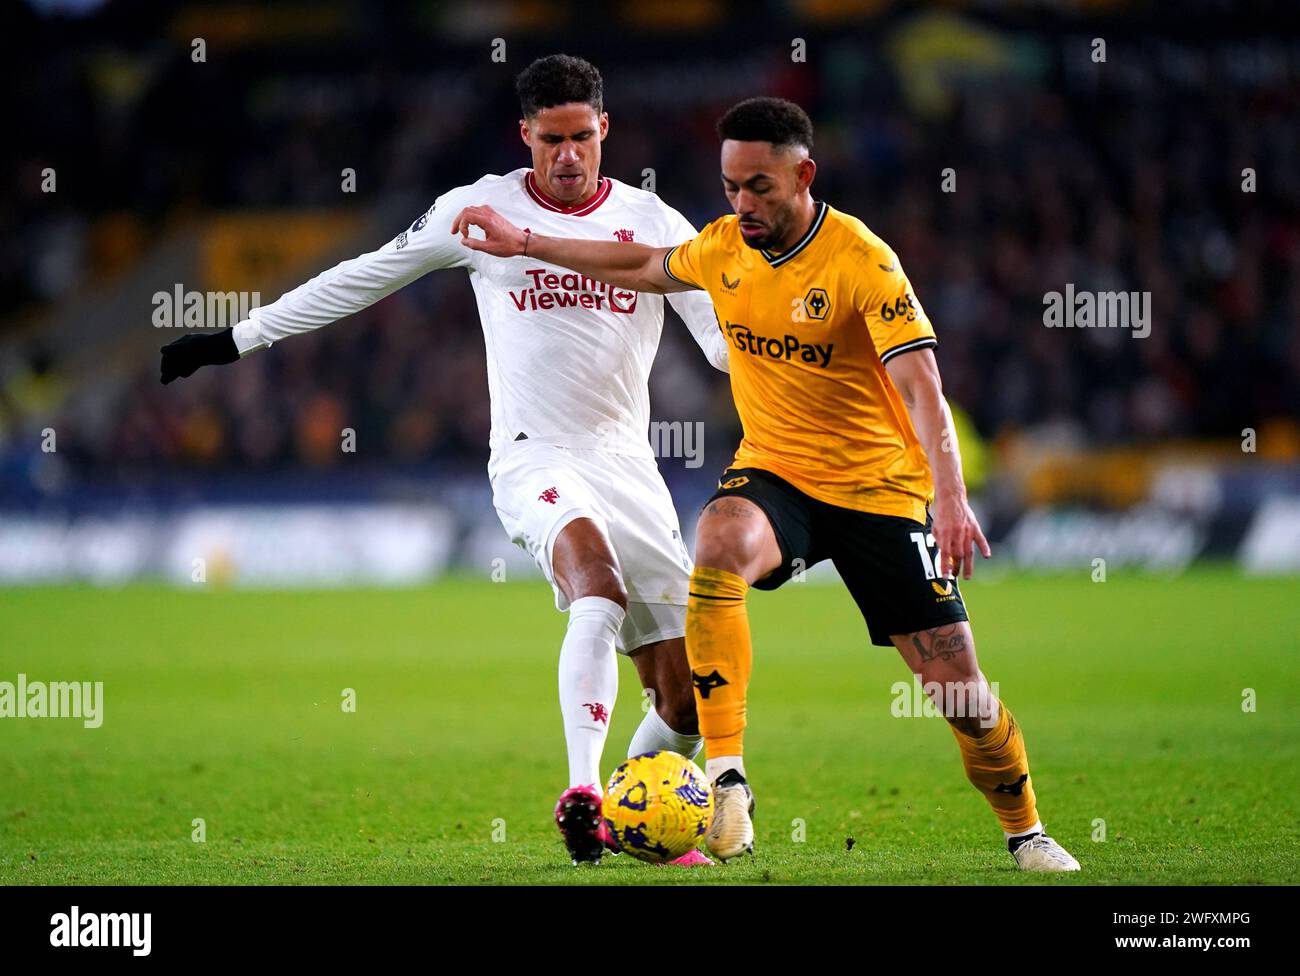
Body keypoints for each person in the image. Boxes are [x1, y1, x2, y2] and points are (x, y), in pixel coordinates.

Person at [450, 96, 1081, 872]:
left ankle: (1027, 831)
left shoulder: (861, 259)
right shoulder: (721, 248)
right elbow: (643, 266)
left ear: (802, 175)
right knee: (715, 544)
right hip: (777, 473)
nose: (742, 204)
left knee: (962, 697)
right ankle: (727, 777)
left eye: (759, 187)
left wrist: (950, 499)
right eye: (730, 187)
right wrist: (529, 242)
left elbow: (921, 386)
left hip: (879, 490)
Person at [159, 54, 729, 867]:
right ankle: (584, 791)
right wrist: (237, 337)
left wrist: (794, 368)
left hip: (629, 465)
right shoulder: (477, 209)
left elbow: (720, 346)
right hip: (536, 456)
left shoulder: (658, 224)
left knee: (685, 701)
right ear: (524, 135)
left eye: (581, 138)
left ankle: (630, 819)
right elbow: (365, 276)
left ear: (606, 131)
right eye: (551, 140)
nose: (567, 156)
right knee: (592, 585)